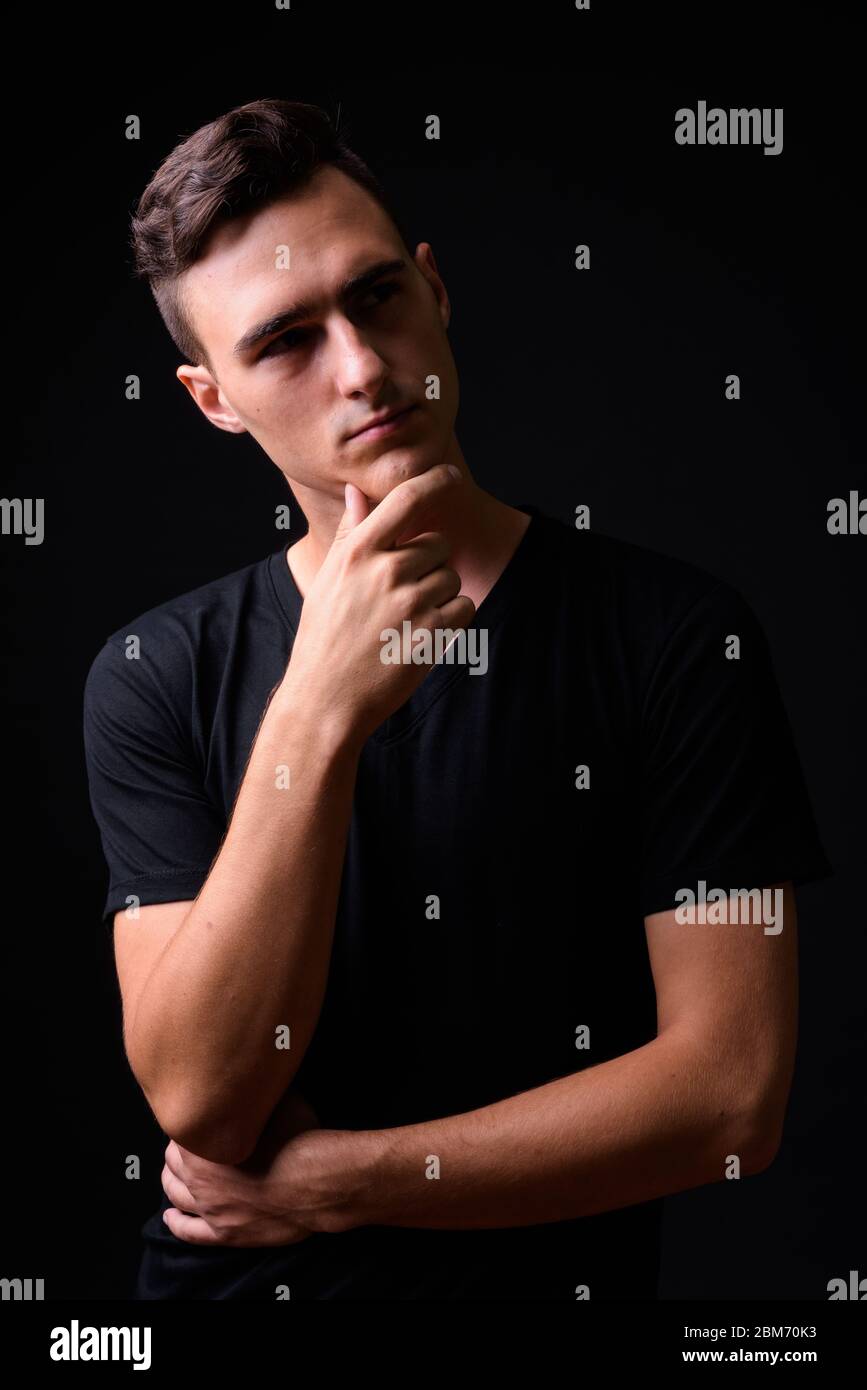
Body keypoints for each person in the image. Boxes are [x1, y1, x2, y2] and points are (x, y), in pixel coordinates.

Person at [83, 98, 831, 1300]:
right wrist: (320, 708)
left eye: (376, 295)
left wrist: (349, 1180)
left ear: (435, 290)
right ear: (212, 398)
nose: (363, 367)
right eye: (284, 341)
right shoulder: (153, 676)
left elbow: (733, 1098)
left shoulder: (681, 639)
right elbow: (203, 1096)